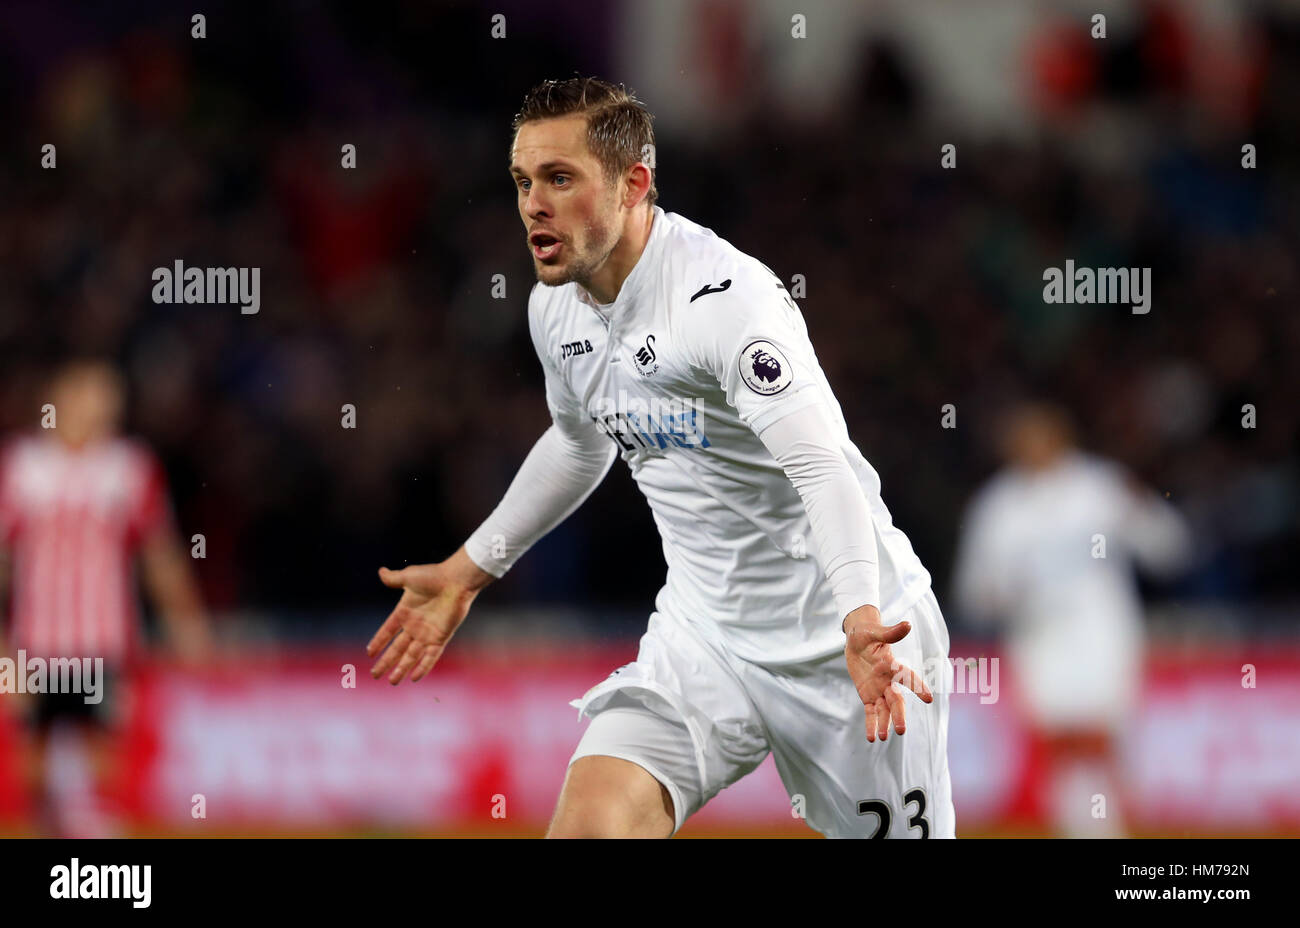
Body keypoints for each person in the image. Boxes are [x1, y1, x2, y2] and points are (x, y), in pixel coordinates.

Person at [367, 77, 953, 838]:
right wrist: (469, 569)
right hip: (703, 638)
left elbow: (820, 466)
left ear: (634, 183)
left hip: (845, 642)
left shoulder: (724, 300)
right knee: (588, 830)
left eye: (559, 179)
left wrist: (860, 618)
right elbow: (580, 443)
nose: (532, 205)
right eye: (522, 181)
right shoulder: (556, 309)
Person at [952, 401, 1192, 837]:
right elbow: (973, 593)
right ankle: (1080, 828)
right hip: (1039, 639)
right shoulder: (998, 507)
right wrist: (1000, 595)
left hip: (1103, 632)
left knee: (1103, 736)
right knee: (1058, 741)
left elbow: (1169, 549)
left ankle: (1115, 826)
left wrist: (1144, 508)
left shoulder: (1099, 487)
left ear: (1062, 439)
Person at [0, 359, 213, 836]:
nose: (102, 406)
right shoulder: (21, 467)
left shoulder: (129, 467)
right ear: (57, 399)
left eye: (109, 396)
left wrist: (187, 623)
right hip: (35, 641)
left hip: (104, 642)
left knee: (106, 767)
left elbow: (159, 552)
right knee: (32, 772)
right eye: (91, 393)